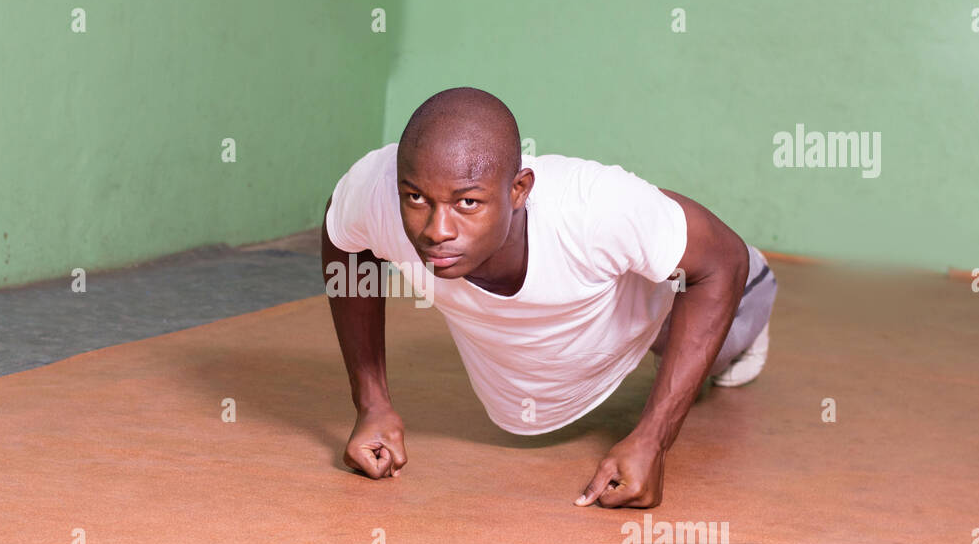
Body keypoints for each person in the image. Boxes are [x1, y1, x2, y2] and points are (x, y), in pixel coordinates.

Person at [320, 87, 777, 508]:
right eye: (416, 197)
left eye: (468, 203)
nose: (437, 231)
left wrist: (654, 438)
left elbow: (723, 262)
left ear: (519, 190)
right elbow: (342, 234)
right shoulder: (378, 188)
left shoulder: (592, 208)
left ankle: (749, 293)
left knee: (707, 347)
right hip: (586, 324)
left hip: (663, 304)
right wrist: (372, 402)